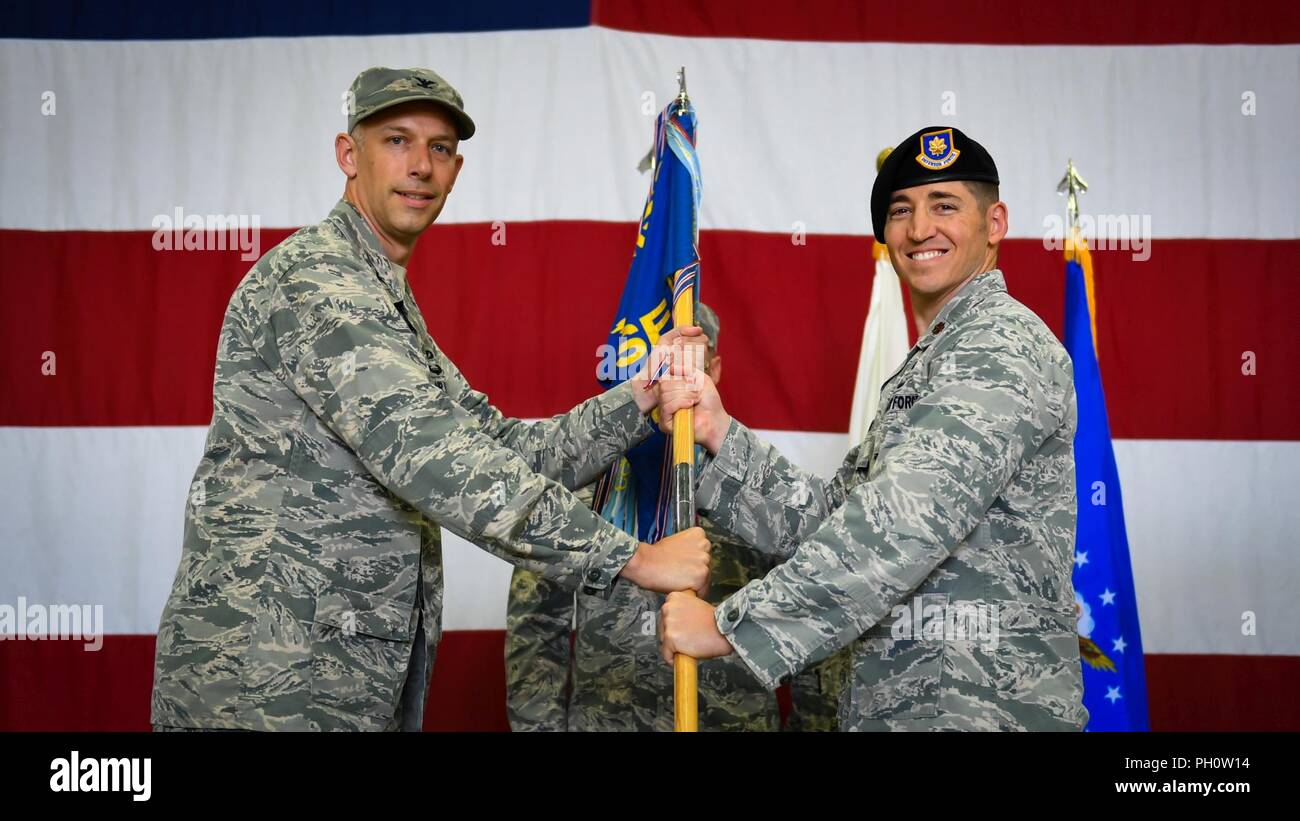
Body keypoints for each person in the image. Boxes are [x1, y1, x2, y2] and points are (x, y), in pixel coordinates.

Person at [150, 66, 710, 732]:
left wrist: (641, 397)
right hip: (267, 678)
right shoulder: (318, 284)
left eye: (439, 148)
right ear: (347, 154)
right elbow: (441, 465)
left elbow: (501, 446)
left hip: (329, 675)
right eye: (396, 140)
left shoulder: (384, 300)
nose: (420, 165)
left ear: (456, 169)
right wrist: (635, 559)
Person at [657, 126, 1088, 731]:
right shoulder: (939, 356)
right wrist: (719, 434)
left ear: (995, 224)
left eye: (945, 206)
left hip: (980, 712)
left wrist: (733, 627)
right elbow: (835, 518)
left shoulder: (998, 345)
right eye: (901, 211)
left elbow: (903, 522)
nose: (919, 230)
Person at [505, 305, 846, 731]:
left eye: (686, 359)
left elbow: (814, 616)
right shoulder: (586, 485)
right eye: (658, 359)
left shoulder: (759, 487)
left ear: (714, 368)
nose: (670, 374)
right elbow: (536, 628)